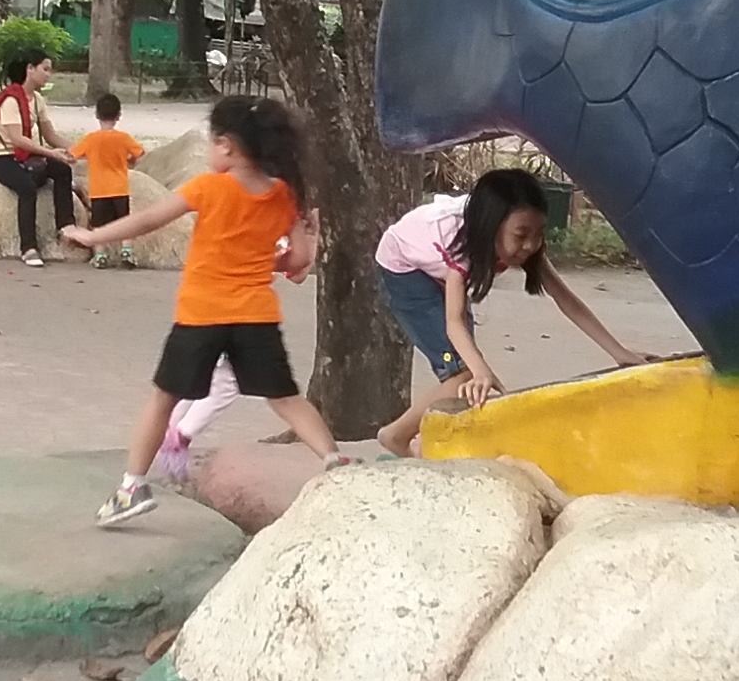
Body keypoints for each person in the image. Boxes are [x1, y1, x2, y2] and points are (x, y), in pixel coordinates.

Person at [63, 95, 354, 526]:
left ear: (227, 146)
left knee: (163, 400)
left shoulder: (208, 187)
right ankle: (334, 461)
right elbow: (297, 261)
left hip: (201, 314)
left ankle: (131, 489)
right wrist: (262, 259)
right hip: (256, 316)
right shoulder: (285, 196)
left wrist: (92, 236)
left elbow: (149, 220)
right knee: (286, 398)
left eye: (211, 142)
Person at [374, 169, 655, 457]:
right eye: (521, 235)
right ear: (491, 228)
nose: (530, 244)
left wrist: (619, 352)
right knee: (464, 373)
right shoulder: (459, 242)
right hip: (406, 269)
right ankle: (395, 436)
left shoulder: (517, 241)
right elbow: (453, 322)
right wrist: (481, 371)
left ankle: (422, 435)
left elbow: (566, 299)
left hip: (438, 267)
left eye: (538, 233)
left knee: (465, 369)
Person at [0, 48, 76, 268]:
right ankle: (28, 248)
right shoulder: (11, 100)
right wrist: (50, 153)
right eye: (45, 69)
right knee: (27, 187)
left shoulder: (37, 100)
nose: (49, 74)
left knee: (62, 170)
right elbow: (17, 139)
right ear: (30, 69)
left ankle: (66, 226)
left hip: (23, 154)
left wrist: (80, 150)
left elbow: (50, 136)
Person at [70, 92, 144, 269]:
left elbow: (73, 155)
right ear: (119, 116)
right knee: (124, 222)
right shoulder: (124, 138)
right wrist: (130, 160)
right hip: (120, 187)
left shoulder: (90, 139)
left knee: (99, 224)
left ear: (96, 115)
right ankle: (126, 252)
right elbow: (139, 153)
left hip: (98, 189)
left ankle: (101, 255)